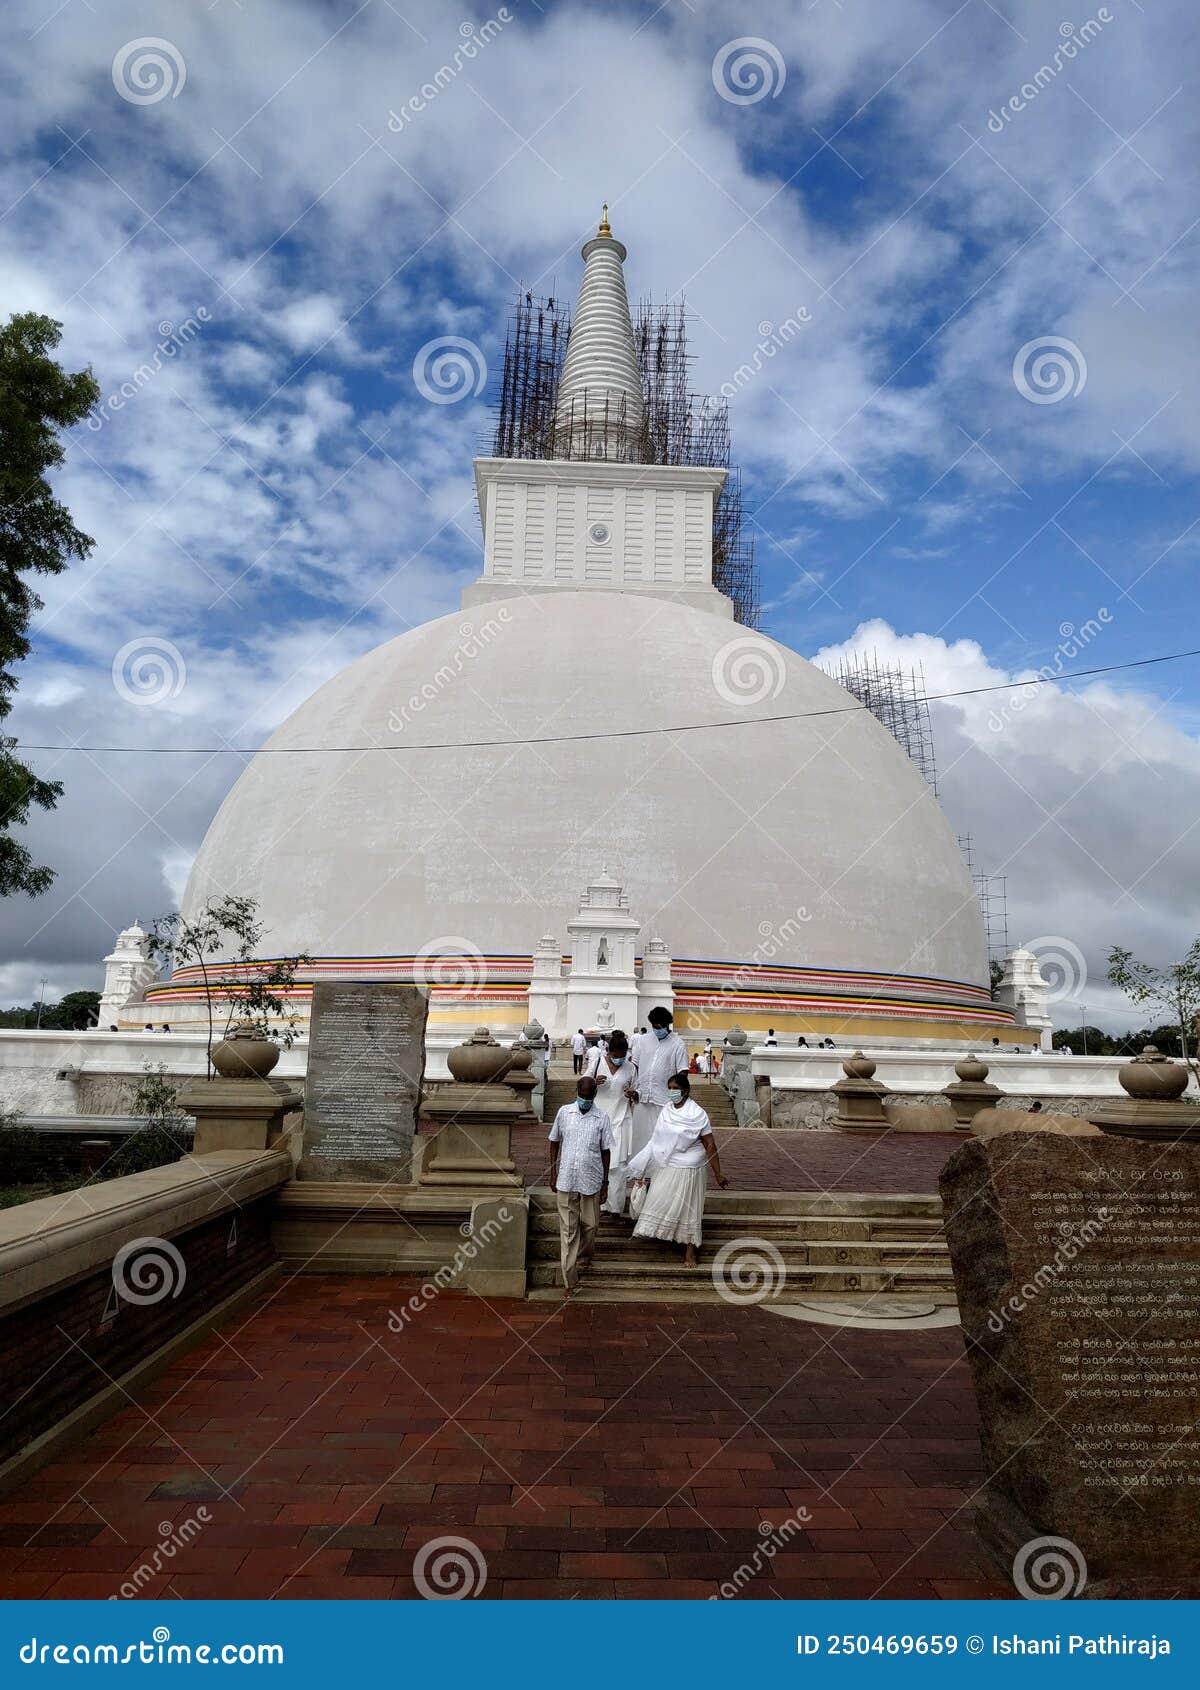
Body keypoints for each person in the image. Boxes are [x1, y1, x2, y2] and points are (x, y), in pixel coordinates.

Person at [628, 1071, 728, 1268]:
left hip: (691, 1165)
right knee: (661, 1199)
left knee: (690, 1209)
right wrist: (642, 1170)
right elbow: (656, 1141)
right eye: (670, 1089)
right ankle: (668, 1236)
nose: (673, 1092)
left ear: (686, 1090)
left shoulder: (698, 1113)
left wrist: (718, 1173)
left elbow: (710, 1144)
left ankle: (690, 1252)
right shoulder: (666, 1109)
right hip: (668, 1162)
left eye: (676, 1089)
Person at [548, 1076, 615, 1295]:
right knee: (568, 1231)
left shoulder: (601, 1117)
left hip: (591, 1180)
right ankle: (570, 1280)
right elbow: (554, 1141)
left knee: (591, 1225)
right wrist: (553, 1172)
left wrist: (605, 1183)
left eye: (589, 1096)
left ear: (595, 1094)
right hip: (566, 1179)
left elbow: (606, 1151)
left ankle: (585, 1251)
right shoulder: (564, 1113)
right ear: (577, 1091)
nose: (585, 1099)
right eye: (582, 1095)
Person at [630, 1006, 688, 1162]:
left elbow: (682, 1072)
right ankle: (640, 1176)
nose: (657, 1029)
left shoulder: (678, 1044)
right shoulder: (643, 1040)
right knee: (640, 1137)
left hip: (664, 1100)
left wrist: (678, 1098)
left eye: (660, 1026)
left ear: (667, 1024)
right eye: (654, 1026)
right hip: (642, 1097)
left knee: (662, 1139)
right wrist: (631, 1086)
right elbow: (633, 1065)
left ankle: (659, 1175)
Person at [591, 1031, 638, 1215]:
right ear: (609, 1052)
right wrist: (593, 1082)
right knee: (597, 1162)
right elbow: (583, 1083)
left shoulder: (631, 1068)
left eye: (622, 1056)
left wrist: (632, 1094)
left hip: (621, 1120)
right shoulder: (597, 1063)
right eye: (615, 1056)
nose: (619, 1059)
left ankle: (615, 1207)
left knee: (618, 1166)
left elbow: (636, 1089)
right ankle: (599, 1204)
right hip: (598, 1120)